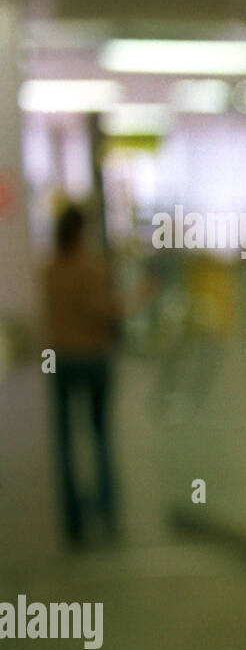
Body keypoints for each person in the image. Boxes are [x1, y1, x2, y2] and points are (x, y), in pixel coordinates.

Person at [42, 203, 120, 545]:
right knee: (100, 434)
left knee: (65, 442)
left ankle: (72, 517)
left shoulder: (49, 269)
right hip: (92, 357)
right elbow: (101, 311)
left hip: (59, 358)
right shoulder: (92, 269)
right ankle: (105, 507)